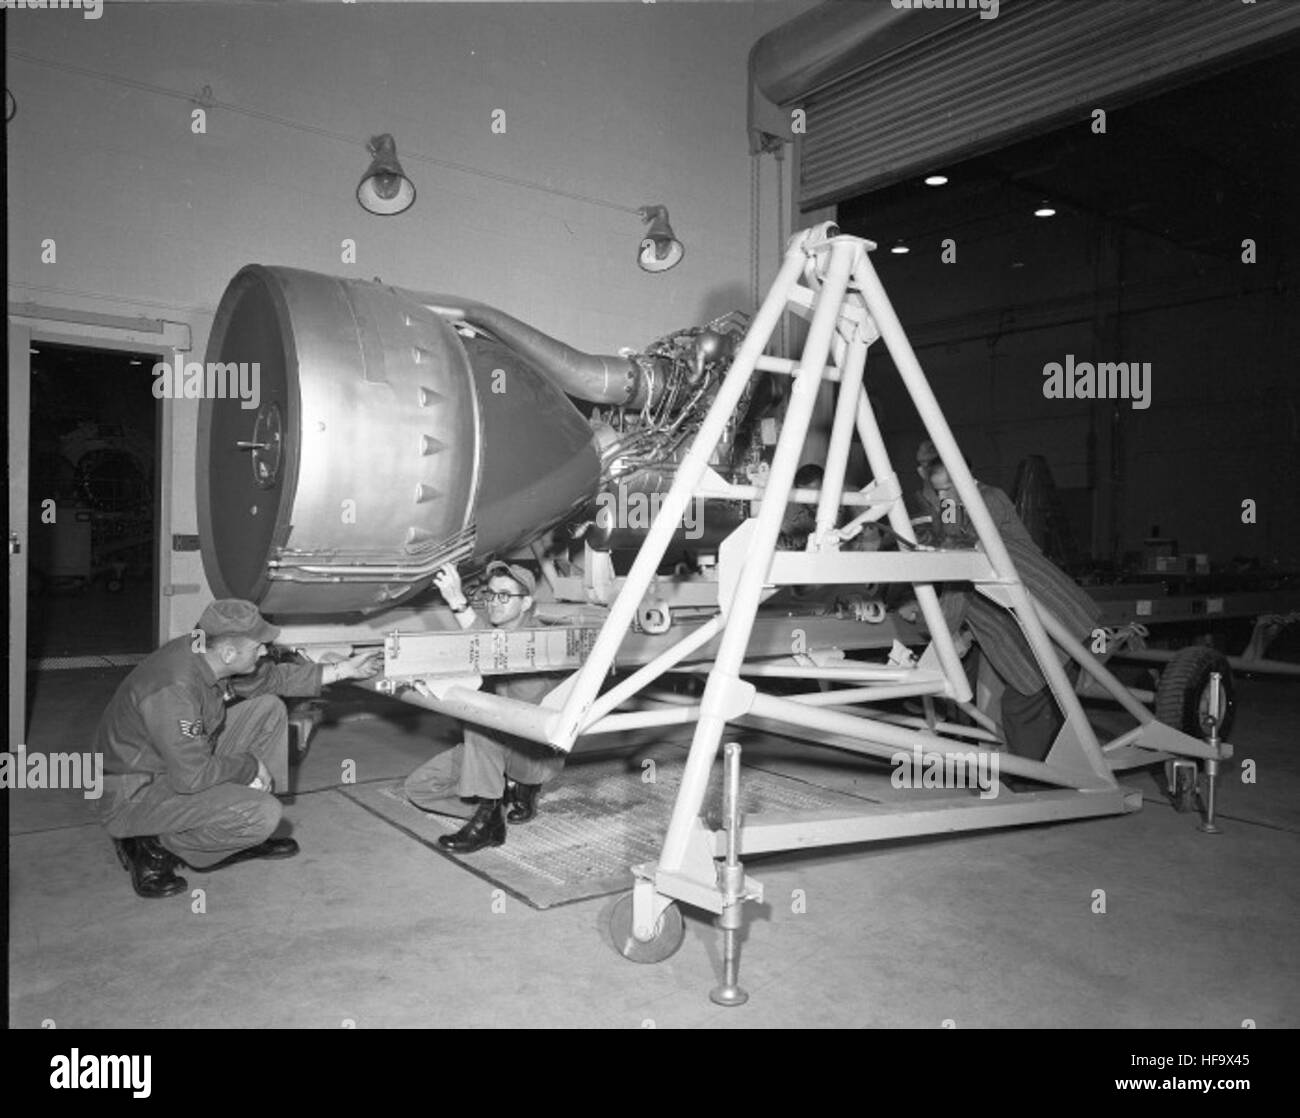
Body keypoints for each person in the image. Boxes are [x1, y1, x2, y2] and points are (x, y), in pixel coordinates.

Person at [95, 599, 382, 898]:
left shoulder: (204, 649)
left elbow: (272, 679)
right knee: (262, 813)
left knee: (268, 709)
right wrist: (249, 766)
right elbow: (191, 777)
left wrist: (345, 669)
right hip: (135, 792)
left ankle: (234, 830)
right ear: (229, 653)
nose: (264, 651)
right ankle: (152, 843)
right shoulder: (174, 689)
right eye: (258, 647)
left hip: (173, 760)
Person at [908, 441, 1101, 770]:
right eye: (937, 491)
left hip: (1051, 620)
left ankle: (1038, 778)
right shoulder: (958, 509)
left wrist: (941, 629)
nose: (942, 499)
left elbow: (958, 565)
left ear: (965, 478)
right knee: (1014, 702)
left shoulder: (984, 503)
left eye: (946, 490)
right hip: (1032, 621)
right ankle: (1035, 771)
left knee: (1024, 706)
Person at [404, 560, 565, 853]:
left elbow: (515, 703)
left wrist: (457, 603)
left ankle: (490, 822)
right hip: (494, 745)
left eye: (505, 596)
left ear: (526, 602)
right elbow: (486, 645)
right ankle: (494, 806)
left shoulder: (542, 641)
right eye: (490, 594)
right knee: (420, 787)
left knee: (481, 716)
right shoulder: (491, 632)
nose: (494, 602)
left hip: (532, 753)